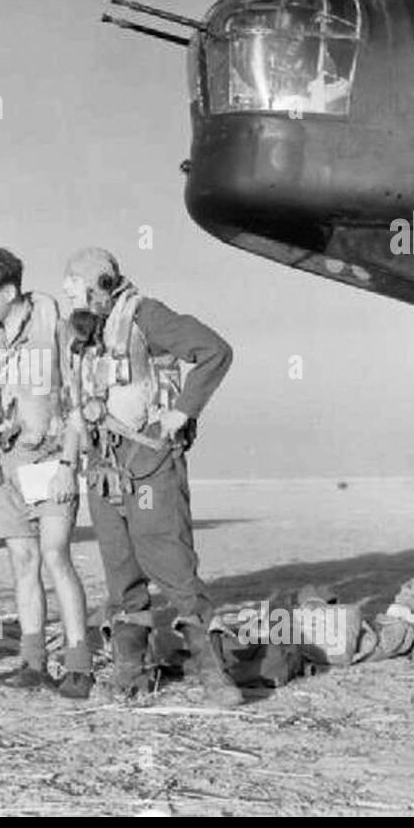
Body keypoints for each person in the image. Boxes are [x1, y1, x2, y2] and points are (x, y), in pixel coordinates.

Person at [61, 247, 239, 706]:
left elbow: (215, 351)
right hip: (104, 471)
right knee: (121, 575)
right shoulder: (84, 335)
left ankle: (215, 675)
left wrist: (181, 413)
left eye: (75, 289)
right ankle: (130, 672)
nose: (70, 298)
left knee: (173, 566)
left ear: (98, 286)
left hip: (149, 464)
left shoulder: (147, 316)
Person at [0, 248, 94, 699]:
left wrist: (67, 465)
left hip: (49, 461)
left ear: (10, 292)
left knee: (56, 555)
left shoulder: (52, 325)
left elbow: (77, 402)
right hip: (7, 465)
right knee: (23, 562)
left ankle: (79, 663)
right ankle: (34, 661)